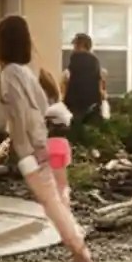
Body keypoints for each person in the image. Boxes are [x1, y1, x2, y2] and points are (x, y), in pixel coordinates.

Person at [0, 15, 96, 262]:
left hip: (32, 150)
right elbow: (37, 106)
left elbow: (21, 114)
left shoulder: (8, 74)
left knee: (53, 204)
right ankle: (81, 253)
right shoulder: (27, 73)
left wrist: (22, 146)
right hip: (44, 144)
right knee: (59, 199)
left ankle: (83, 258)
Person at [37, 68, 75, 209]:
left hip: (46, 147)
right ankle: (64, 207)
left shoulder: (41, 105)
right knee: (62, 184)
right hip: (60, 146)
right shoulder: (59, 107)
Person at [62, 33, 106, 125]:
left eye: (75, 44)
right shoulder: (95, 60)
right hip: (92, 104)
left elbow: (69, 78)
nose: (74, 48)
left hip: (75, 104)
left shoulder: (75, 58)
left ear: (81, 45)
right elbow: (99, 82)